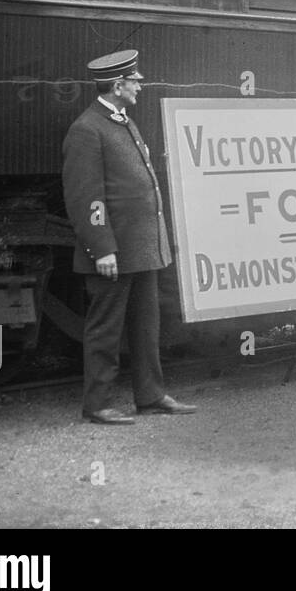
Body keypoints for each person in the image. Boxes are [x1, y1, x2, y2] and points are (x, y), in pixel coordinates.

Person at [62, 50, 196, 425]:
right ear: (117, 85)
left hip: (140, 249)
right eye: (135, 80)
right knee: (106, 330)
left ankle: (150, 395)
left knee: (146, 327)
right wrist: (102, 249)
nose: (140, 84)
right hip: (114, 252)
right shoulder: (87, 129)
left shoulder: (123, 122)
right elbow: (85, 198)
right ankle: (97, 404)